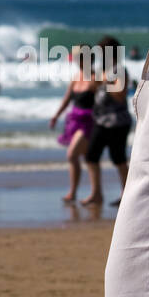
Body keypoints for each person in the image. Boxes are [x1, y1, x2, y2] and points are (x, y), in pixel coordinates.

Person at [82, 37, 131, 206]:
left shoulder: (119, 70)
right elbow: (90, 87)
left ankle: (127, 194)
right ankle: (96, 194)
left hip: (117, 121)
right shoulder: (104, 69)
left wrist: (105, 82)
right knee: (91, 156)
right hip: (101, 120)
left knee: (118, 159)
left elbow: (121, 95)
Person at [50, 47, 96, 202]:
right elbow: (67, 99)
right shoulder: (77, 76)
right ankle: (89, 193)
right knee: (86, 157)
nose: (75, 60)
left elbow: (105, 100)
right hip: (75, 120)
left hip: (89, 122)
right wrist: (56, 116)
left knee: (72, 154)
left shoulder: (96, 77)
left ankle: (78, 192)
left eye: (78, 57)